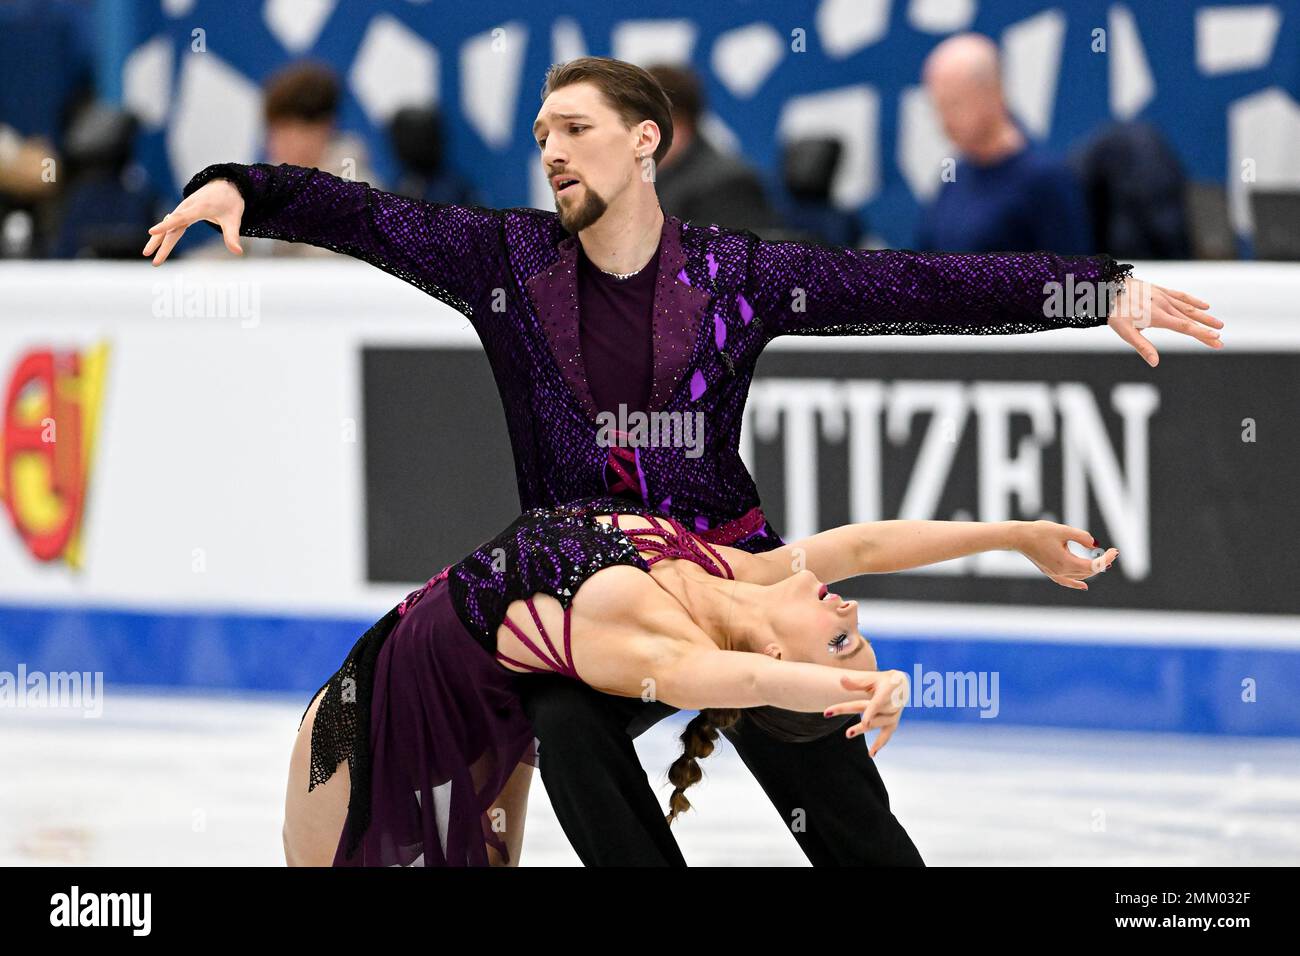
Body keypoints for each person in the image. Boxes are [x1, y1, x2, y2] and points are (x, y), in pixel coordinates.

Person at [144, 56, 1221, 866]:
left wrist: (1088, 289)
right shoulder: (506, 261)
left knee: (848, 819)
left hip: (732, 581)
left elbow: (914, 285)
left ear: (647, 139)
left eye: (574, 127)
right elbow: (369, 216)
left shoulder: (735, 275)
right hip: (596, 599)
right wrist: (245, 186)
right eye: (539, 133)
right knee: (567, 716)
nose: (551, 150)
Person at [283, 493, 1119, 866]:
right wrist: (1012, 534)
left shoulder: (662, 650)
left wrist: (859, 691)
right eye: (855, 639)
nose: (852, 619)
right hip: (373, 710)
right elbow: (861, 549)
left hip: (395, 755)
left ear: (782, 671)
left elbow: (760, 680)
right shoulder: (724, 571)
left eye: (839, 645)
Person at [914, 32, 1094, 255]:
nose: (944, 121)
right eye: (937, 107)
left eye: (955, 104)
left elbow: (1073, 280)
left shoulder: (1046, 180)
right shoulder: (954, 176)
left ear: (994, 93)